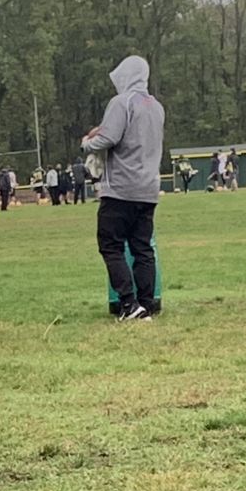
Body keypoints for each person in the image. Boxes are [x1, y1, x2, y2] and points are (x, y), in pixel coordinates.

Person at [82, 54, 166, 322]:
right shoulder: (157, 107)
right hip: (148, 188)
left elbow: (108, 138)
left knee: (110, 245)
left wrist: (86, 142)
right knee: (143, 248)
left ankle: (128, 304)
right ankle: (146, 302)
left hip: (120, 189)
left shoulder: (121, 103)